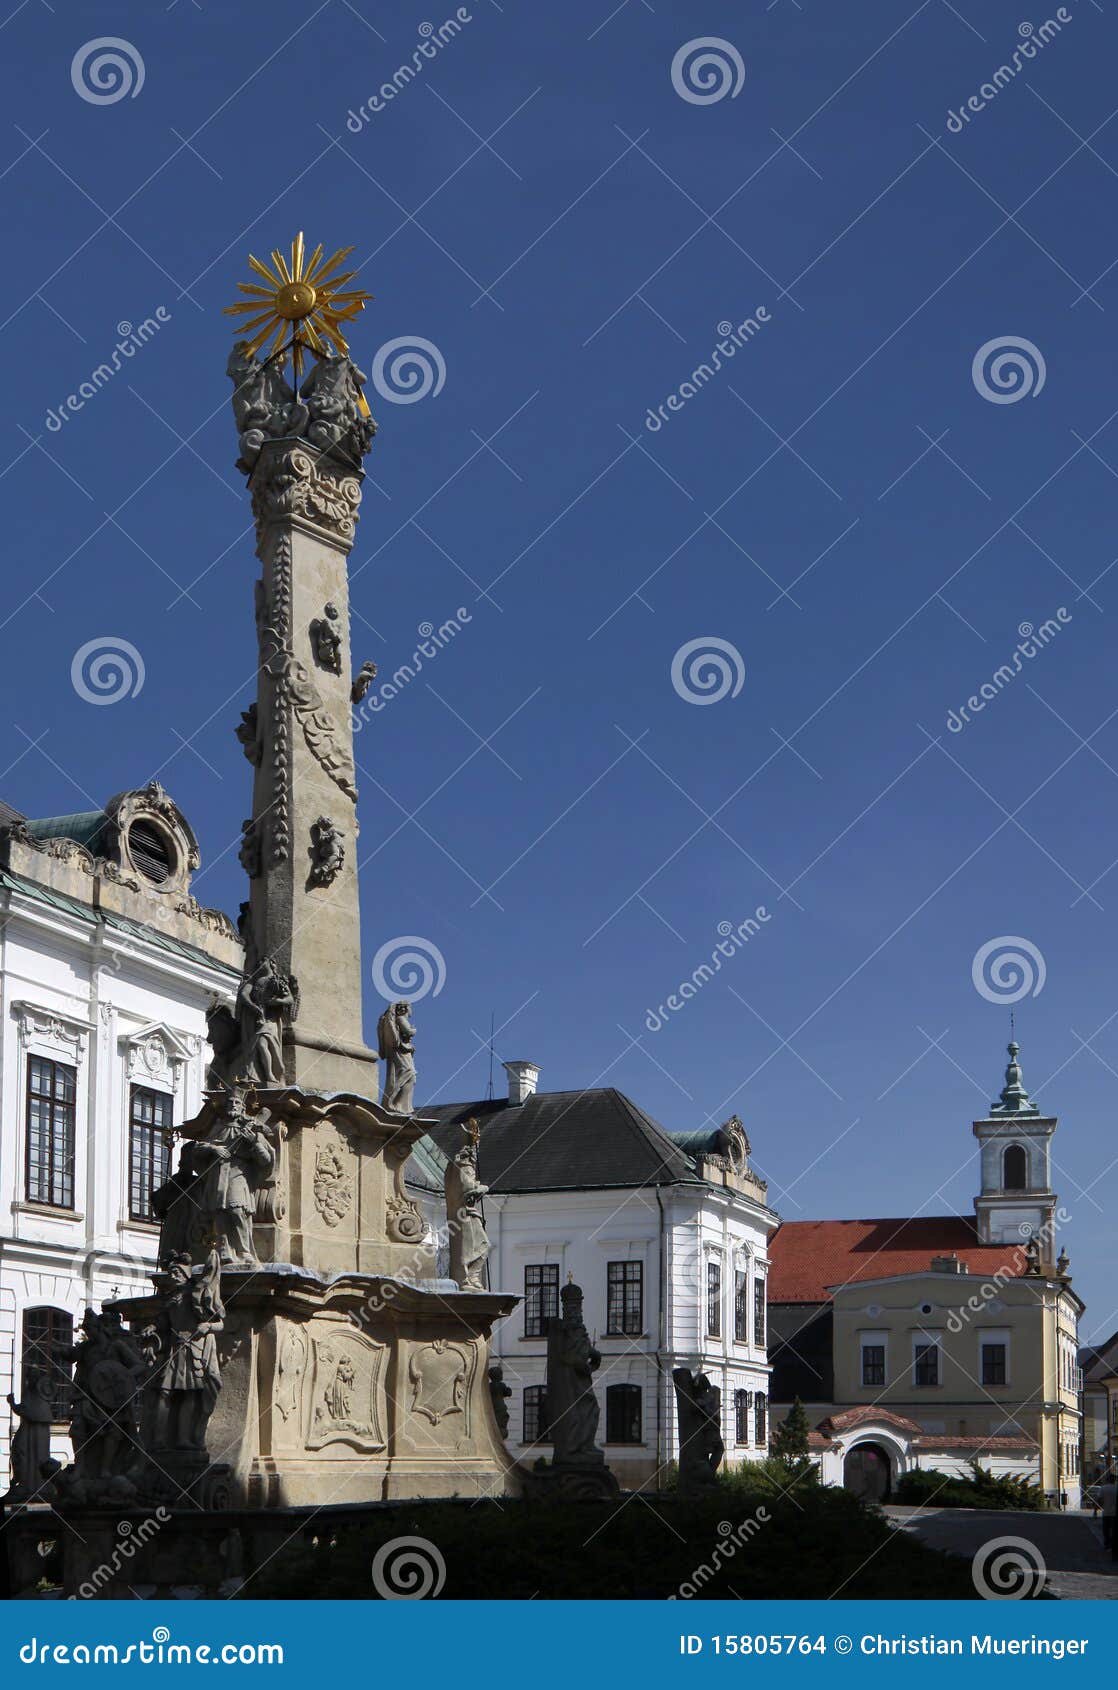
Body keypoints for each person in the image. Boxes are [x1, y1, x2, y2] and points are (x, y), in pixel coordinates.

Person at [1101, 1470, 1117, 1552]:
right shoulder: (1116, 1488)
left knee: (1106, 1529)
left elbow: (1099, 1499)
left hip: (1106, 1512)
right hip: (1115, 1513)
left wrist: (1095, 1510)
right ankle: (1113, 1545)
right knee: (1114, 1530)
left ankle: (1107, 1544)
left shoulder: (1103, 1488)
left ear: (1107, 1479)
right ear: (1114, 1480)